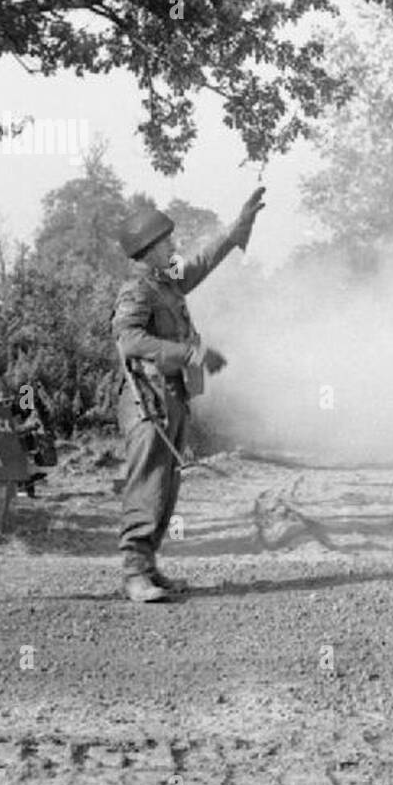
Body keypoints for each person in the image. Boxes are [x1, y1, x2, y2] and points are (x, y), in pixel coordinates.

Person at [112, 188, 265, 602]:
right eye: (166, 242)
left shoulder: (165, 282)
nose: (174, 246)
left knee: (166, 485)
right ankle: (134, 573)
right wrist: (189, 352)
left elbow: (198, 264)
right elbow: (129, 341)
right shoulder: (137, 290)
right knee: (148, 482)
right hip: (147, 400)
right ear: (148, 249)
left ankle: (148, 565)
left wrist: (235, 231)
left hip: (170, 395)